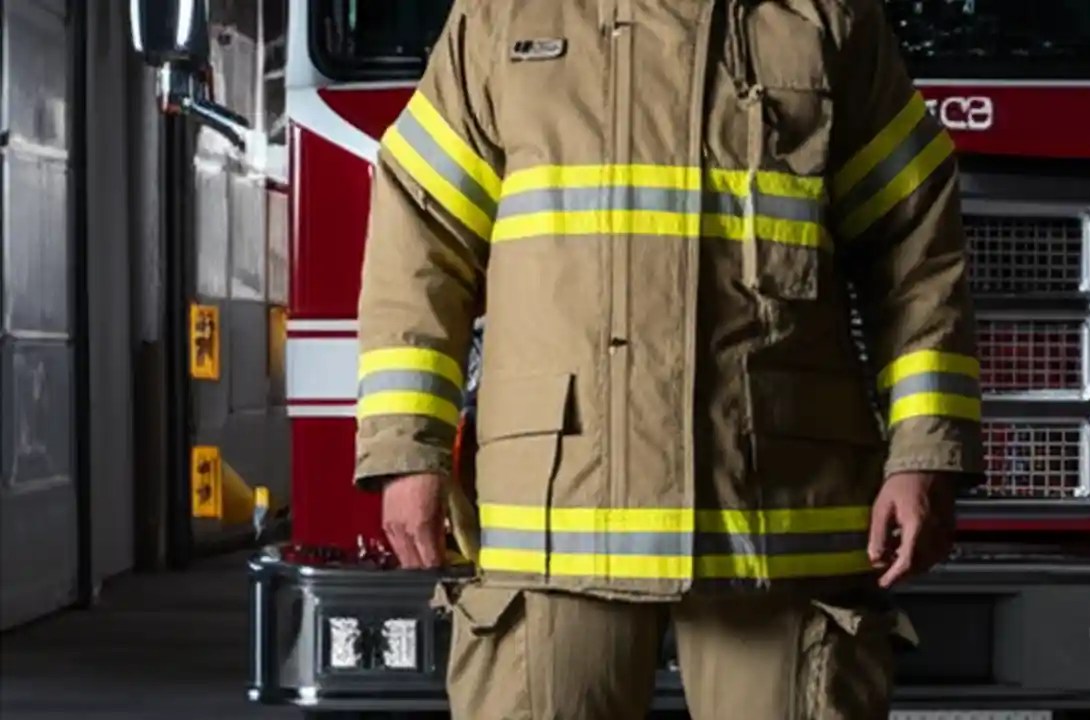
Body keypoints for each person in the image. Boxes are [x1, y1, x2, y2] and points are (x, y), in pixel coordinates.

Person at [354, 0, 982, 717]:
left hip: (778, 514)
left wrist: (923, 452)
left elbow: (915, 258)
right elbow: (420, 242)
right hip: (557, 521)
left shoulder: (826, 19)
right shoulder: (501, 19)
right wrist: (408, 450)